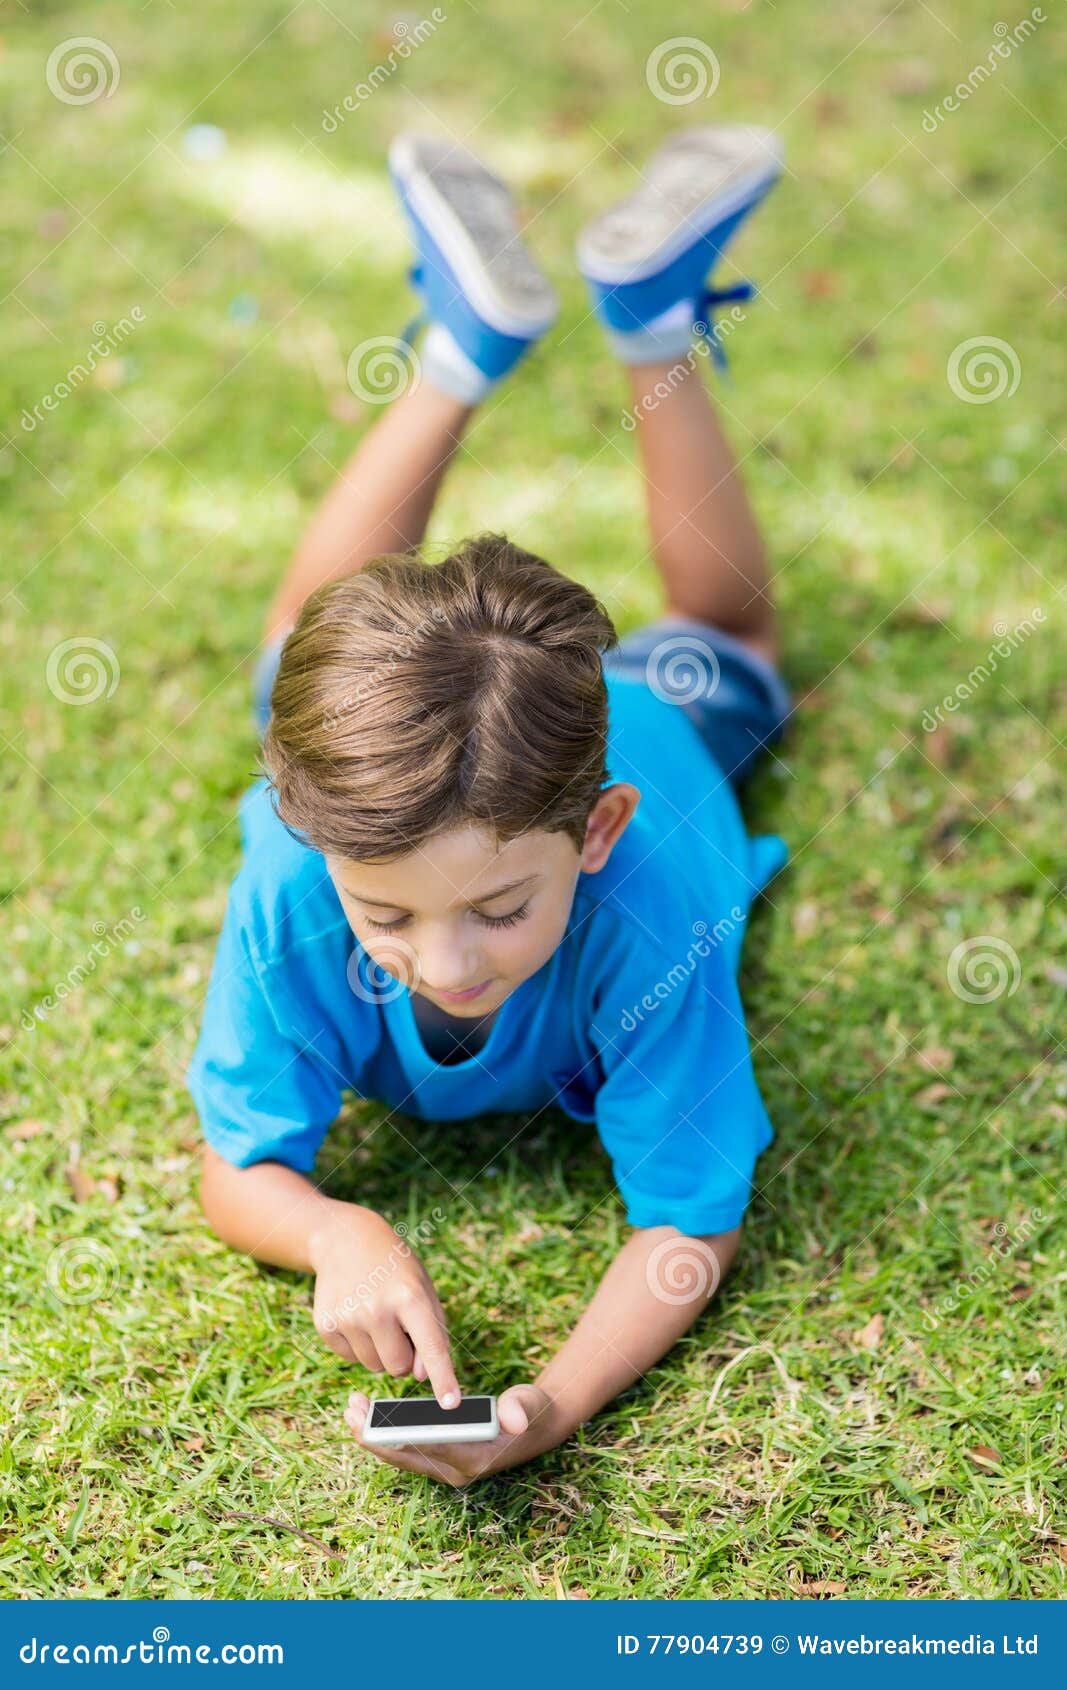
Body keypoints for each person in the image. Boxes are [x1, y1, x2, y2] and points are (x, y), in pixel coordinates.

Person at [188, 125, 792, 1486]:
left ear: (596, 834)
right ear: (311, 833)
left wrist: (557, 1404)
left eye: (504, 907)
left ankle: (643, 329)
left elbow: (690, 1221)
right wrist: (338, 1229)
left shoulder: (652, 915)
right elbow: (241, 1169)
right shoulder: (296, 874)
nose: (448, 963)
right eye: (386, 909)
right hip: (472, 722)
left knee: (731, 647)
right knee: (301, 658)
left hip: (654, 707)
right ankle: (498, 335)